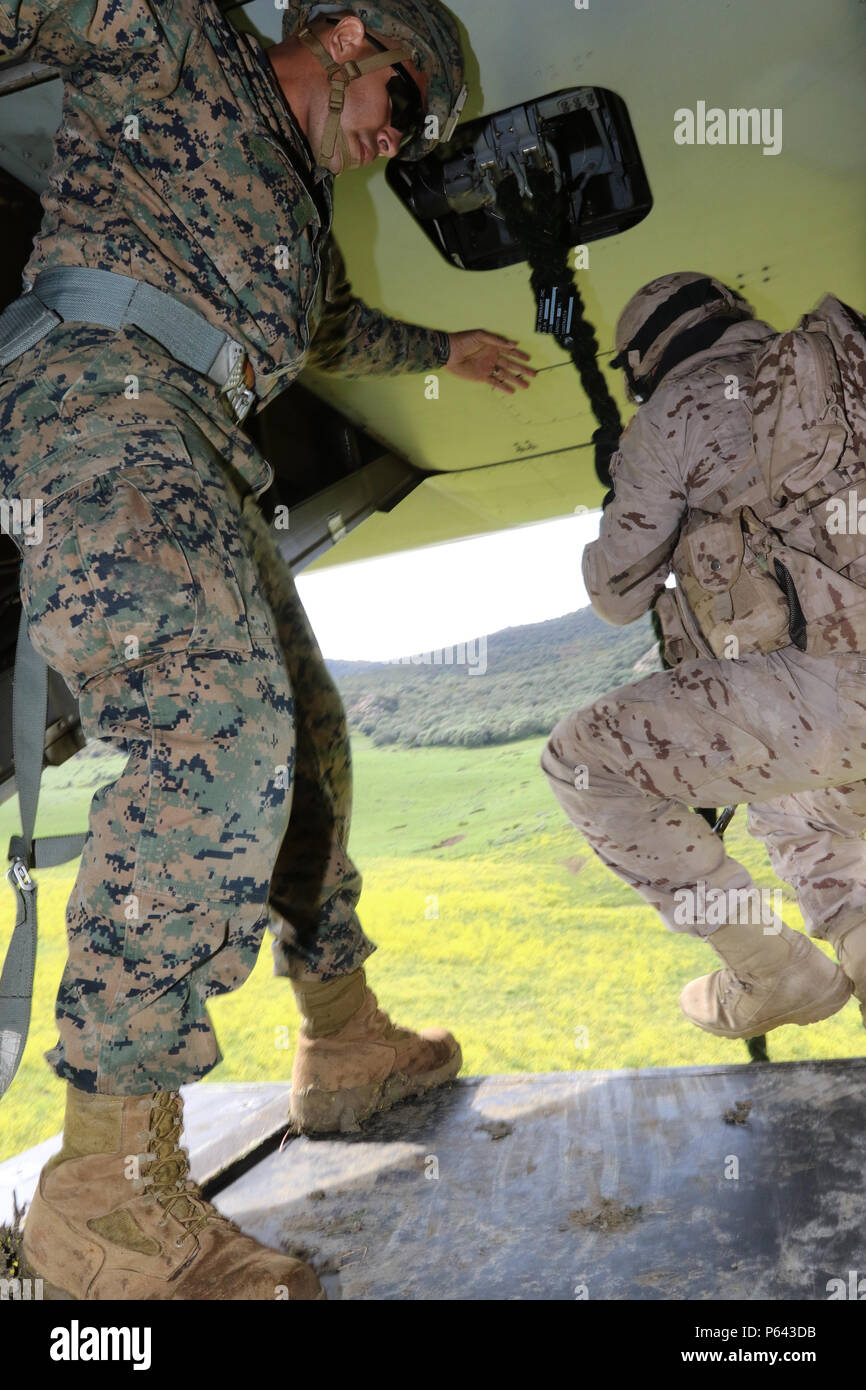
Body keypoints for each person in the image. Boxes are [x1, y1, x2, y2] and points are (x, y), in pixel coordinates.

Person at [0, 0, 535, 1299]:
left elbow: (334, 329)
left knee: (305, 741)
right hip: (92, 393)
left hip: (197, 447)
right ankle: (108, 1196)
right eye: (404, 107)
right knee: (218, 733)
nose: (392, 145)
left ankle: (342, 1042)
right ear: (350, 36)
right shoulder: (176, 36)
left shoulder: (299, 217)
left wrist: (447, 352)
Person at [542, 271, 866, 1047]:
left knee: (581, 762)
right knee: (795, 811)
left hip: (828, 702)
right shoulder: (838, 370)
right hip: (829, 718)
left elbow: (616, 592)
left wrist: (626, 474)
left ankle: (767, 965)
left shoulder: (671, 414)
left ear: (643, 360)